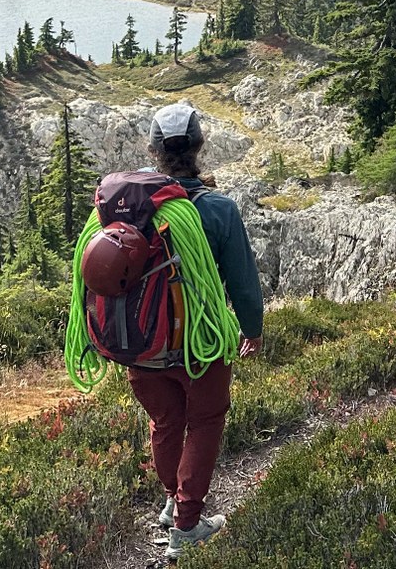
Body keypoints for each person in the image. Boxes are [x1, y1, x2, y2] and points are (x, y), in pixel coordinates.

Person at [130, 103, 265, 559]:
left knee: (165, 421)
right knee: (204, 423)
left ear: (153, 150)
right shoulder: (218, 209)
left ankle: (174, 502)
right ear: (200, 147)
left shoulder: (132, 208)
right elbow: (243, 283)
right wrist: (253, 329)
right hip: (199, 347)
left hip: (142, 347)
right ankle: (186, 527)